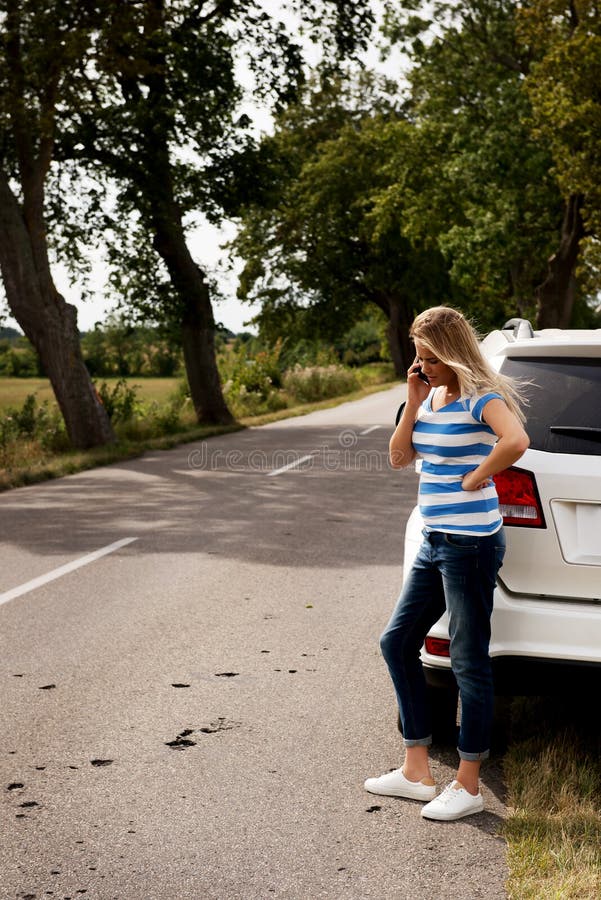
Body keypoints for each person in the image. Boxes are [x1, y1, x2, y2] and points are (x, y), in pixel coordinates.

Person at [365, 306, 529, 821]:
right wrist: (412, 401)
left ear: (454, 353)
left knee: (467, 660)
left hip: (470, 543)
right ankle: (417, 770)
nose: (423, 365)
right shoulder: (427, 396)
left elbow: (517, 441)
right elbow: (397, 458)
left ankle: (469, 783)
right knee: (396, 641)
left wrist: (478, 475)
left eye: (431, 358)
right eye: (418, 357)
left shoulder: (483, 397)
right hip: (434, 540)